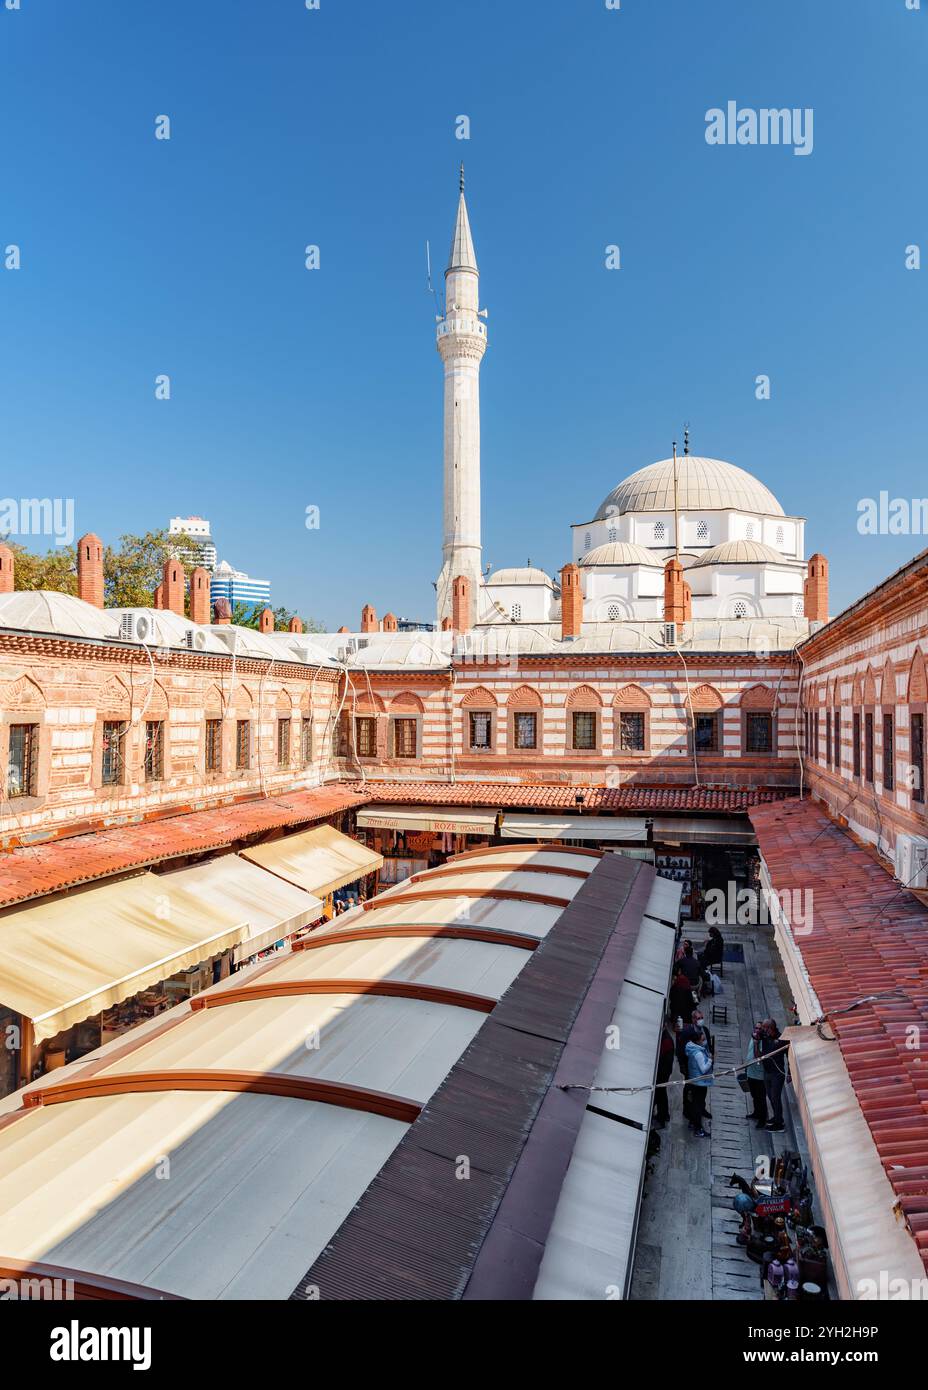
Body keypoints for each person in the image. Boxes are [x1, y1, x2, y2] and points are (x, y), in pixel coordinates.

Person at [757, 1018, 789, 1132]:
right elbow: (758, 1053)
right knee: (770, 1096)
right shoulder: (765, 1037)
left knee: (775, 1097)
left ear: (771, 1028)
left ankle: (779, 1123)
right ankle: (776, 1117)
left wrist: (789, 1073)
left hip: (777, 1073)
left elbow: (789, 1057)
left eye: (765, 1028)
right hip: (767, 1071)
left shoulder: (782, 1039)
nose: (764, 1030)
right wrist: (756, 1039)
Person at [684, 1028, 714, 1137]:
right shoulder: (698, 1053)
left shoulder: (691, 1048)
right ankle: (698, 1129)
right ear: (697, 1041)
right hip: (700, 1083)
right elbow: (704, 1069)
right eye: (703, 1039)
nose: (705, 1041)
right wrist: (710, 1059)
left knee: (695, 1103)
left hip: (694, 1079)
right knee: (698, 1105)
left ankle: (692, 1123)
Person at [745, 1025, 768, 1127]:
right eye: (756, 1028)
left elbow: (758, 1056)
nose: (757, 1031)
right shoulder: (753, 1038)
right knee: (754, 1096)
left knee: (761, 1098)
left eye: (760, 1029)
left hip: (759, 1076)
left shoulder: (763, 1042)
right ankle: (756, 1113)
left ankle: (762, 1119)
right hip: (750, 1072)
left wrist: (756, 1044)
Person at [654, 1023, 675, 1127]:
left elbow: (662, 1057)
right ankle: (665, 1114)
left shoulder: (666, 1040)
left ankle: (661, 1118)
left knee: (660, 1094)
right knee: (662, 1093)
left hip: (662, 1073)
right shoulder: (665, 1037)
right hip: (664, 1071)